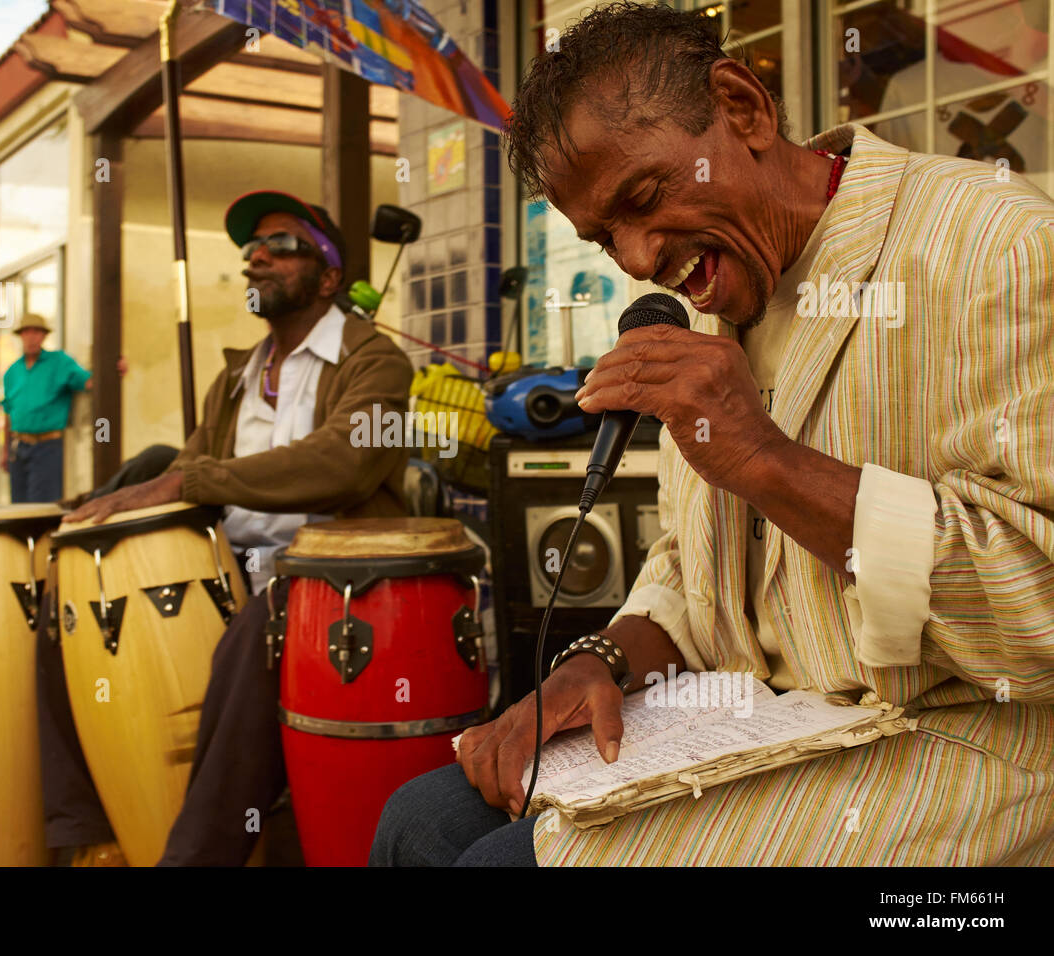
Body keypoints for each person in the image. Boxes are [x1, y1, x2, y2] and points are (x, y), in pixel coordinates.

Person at [372, 1, 1054, 866]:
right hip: (752, 723)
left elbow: (1041, 606)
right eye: (602, 237)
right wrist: (599, 663)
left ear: (743, 107)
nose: (638, 260)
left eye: (645, 198)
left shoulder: (998, 246)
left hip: (960, 741)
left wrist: (766, 460)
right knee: (418, 825)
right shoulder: (718, 299)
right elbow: (691, 573)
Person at [38, 190, 414, 865]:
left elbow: (349, 461)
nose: (258, 258)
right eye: (249, 250)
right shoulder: (237, 375)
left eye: (282, 244)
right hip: (224, 566)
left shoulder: (374, 361)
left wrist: (195, 479)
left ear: (329, 276)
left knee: (260, 624)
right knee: (67, 605)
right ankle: (91, 833)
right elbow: (185, 471)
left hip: (332, 580)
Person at [0, 314, 126, 503]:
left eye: (36, 332)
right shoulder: (13, 371)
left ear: (43, 336)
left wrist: (113, 368)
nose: (31, 337)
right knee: (18, 505)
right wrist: (5, 449)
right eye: (27, 332)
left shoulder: (59, 362)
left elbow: (89, 381)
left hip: (47, 446)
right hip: (18, 447)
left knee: (42, 506)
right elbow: (9, 410)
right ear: (21, 336)